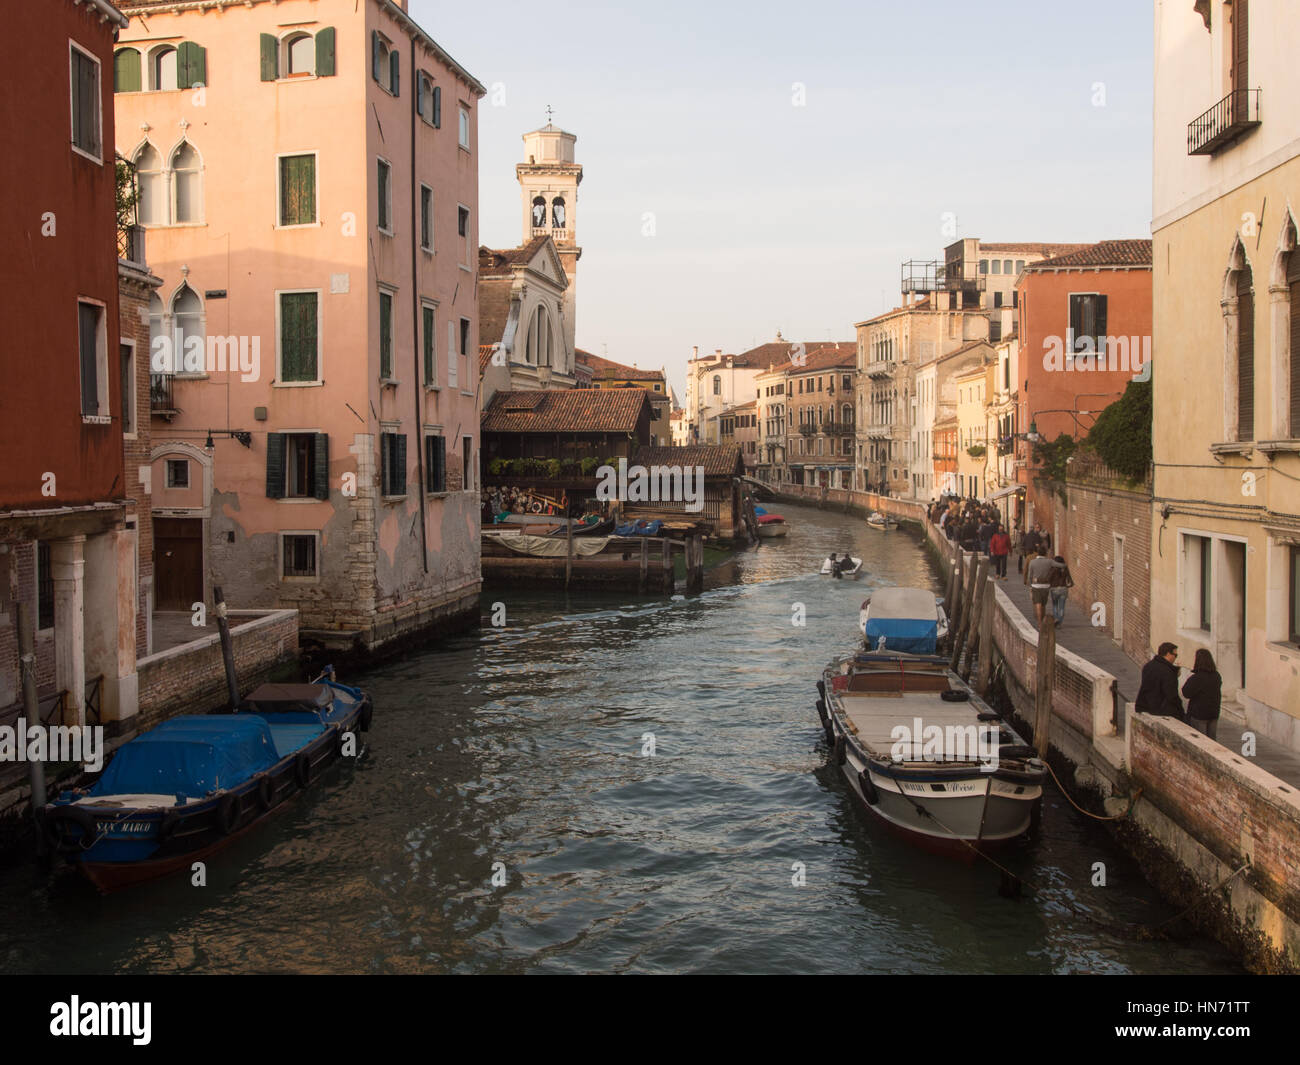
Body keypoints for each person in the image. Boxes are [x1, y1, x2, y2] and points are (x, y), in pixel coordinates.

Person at [1135, 642, 1184, 720]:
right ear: (1168, 654)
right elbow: (1171, 694)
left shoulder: (1148, 666)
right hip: (1160, 709)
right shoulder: (1168, 672)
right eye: (1175, 655)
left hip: (1146, 705)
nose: (1175, 658)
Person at [1182, 649, 1222, 740]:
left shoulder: (1197, 678)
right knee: (1212, 739)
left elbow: (1186, 693)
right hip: (1213, 712)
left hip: (1199, 714)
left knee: (1201, 740)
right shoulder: (1216, 676)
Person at [1024, 549, 1056, 625]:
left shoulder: (1032, 561)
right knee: (1043, 605)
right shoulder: (1049, 561)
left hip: (1036, 586)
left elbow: (1029, 575)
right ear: (1045, 553)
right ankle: (1043, 619)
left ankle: (1039, 623)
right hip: (1046, 586)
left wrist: (1030, 585)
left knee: (1038, 604)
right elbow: (1060, 565)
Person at [1048, 555, 1074, 625]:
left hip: (1054, 589)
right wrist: (1067, 586)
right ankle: (1060, 622)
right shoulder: (1065, 568)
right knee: (1062, 607)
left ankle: (1056, 619)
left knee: (1055, 605)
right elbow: (1071, 582)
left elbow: (1049, 578)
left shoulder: (1052, 569)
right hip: (1064, 589)